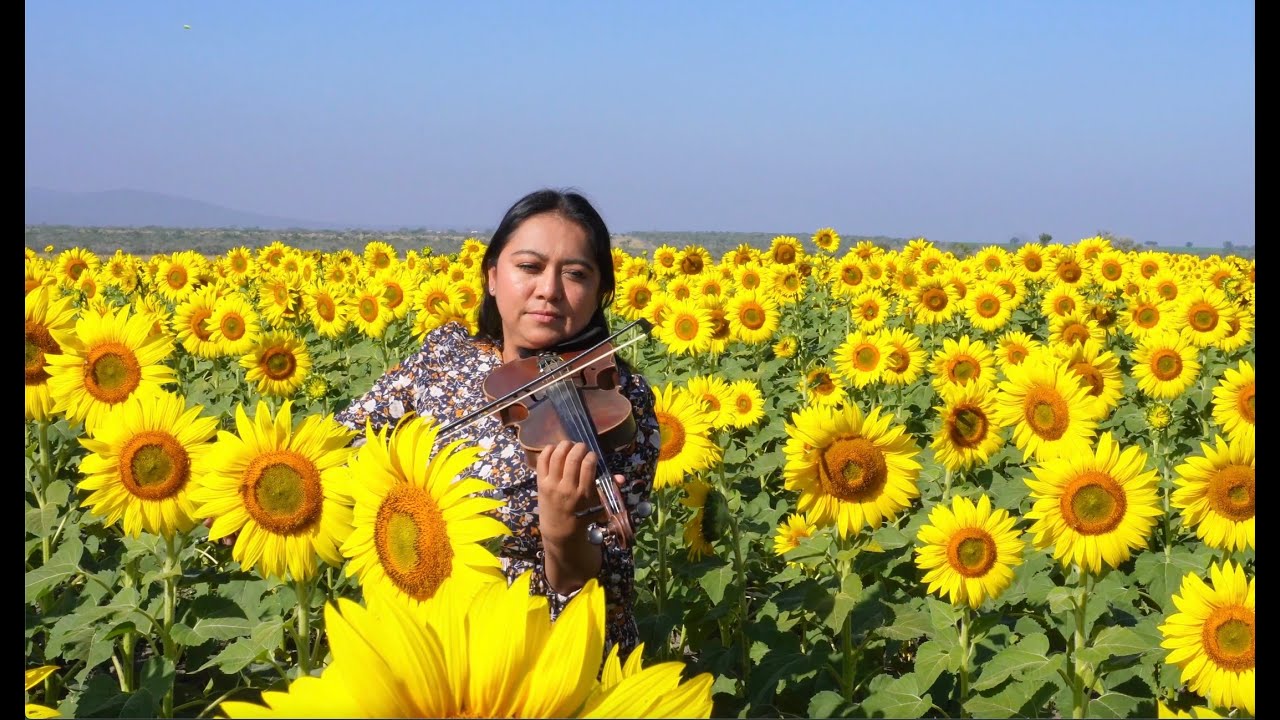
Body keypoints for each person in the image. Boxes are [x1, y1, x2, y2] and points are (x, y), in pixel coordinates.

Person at [334, 188, 659, 658]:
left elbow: (597, 592)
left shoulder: (620, 401)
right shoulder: (444, 358)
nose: (549, 290)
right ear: (492, 276)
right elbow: (344, 438)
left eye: (575, 274)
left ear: (598, 294)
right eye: (529, 267)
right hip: (424, 639)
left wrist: (563, 534)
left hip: (542, 655)